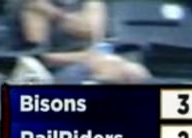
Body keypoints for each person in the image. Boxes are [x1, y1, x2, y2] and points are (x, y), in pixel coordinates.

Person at [14, 0, 150, 83]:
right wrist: (86, 57)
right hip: (57, 69)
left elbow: (91, 32)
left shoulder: (91, 3)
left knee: (136, 72)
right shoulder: (33, 7)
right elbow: (39, 58)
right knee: (113, 73)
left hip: (97, 58)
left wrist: (56, 15)